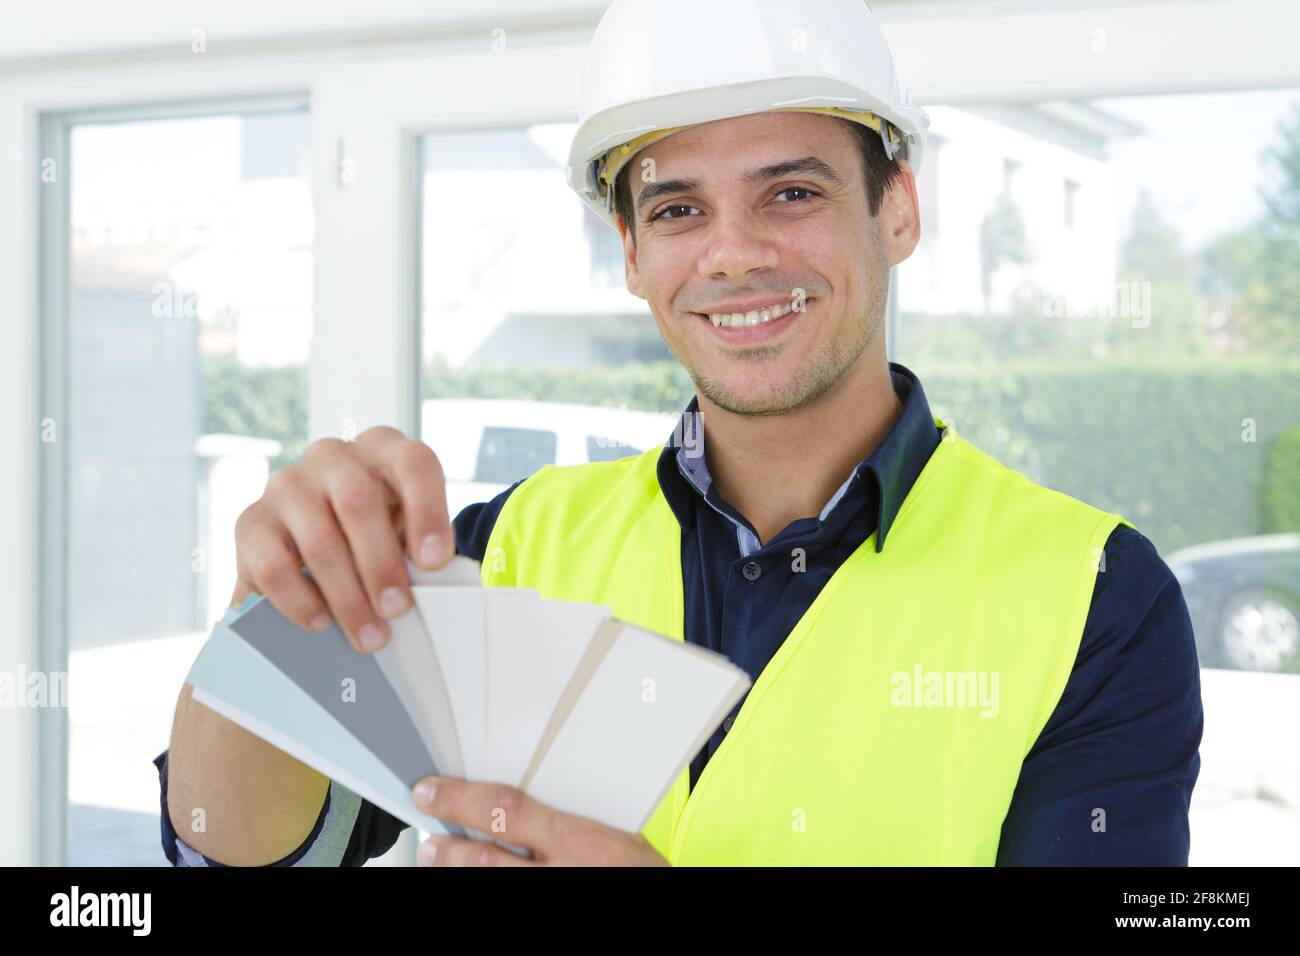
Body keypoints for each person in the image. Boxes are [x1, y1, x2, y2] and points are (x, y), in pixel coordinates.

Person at [156, 0, 1202, 866]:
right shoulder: (502, 546)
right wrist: (268, 623)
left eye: (790, 192)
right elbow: (231, 848)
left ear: (897, 214)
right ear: (629, 250)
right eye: (677, 210)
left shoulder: (1097, 596)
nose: (733, 254)